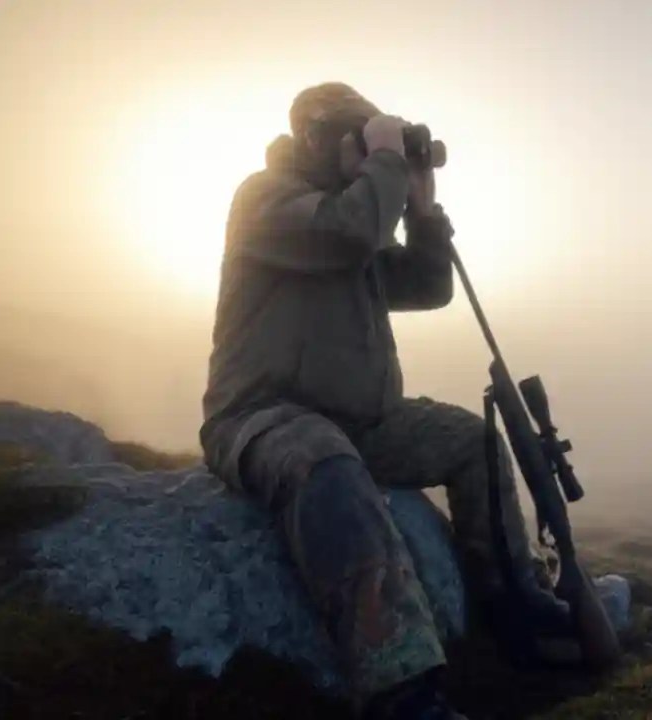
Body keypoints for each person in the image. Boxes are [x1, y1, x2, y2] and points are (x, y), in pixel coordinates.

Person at [199, 82, 565, 720]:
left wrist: (423, 212)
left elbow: (428, 286)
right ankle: (404, 692)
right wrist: (388, 160)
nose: (376, 156)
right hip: (261, 419)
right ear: (319, 139)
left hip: (363, 421)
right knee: (323, 455)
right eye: (362, 141)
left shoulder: (350, 222)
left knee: (471, 441)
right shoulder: (267, 202)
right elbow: (345, 235)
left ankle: (516, 609)